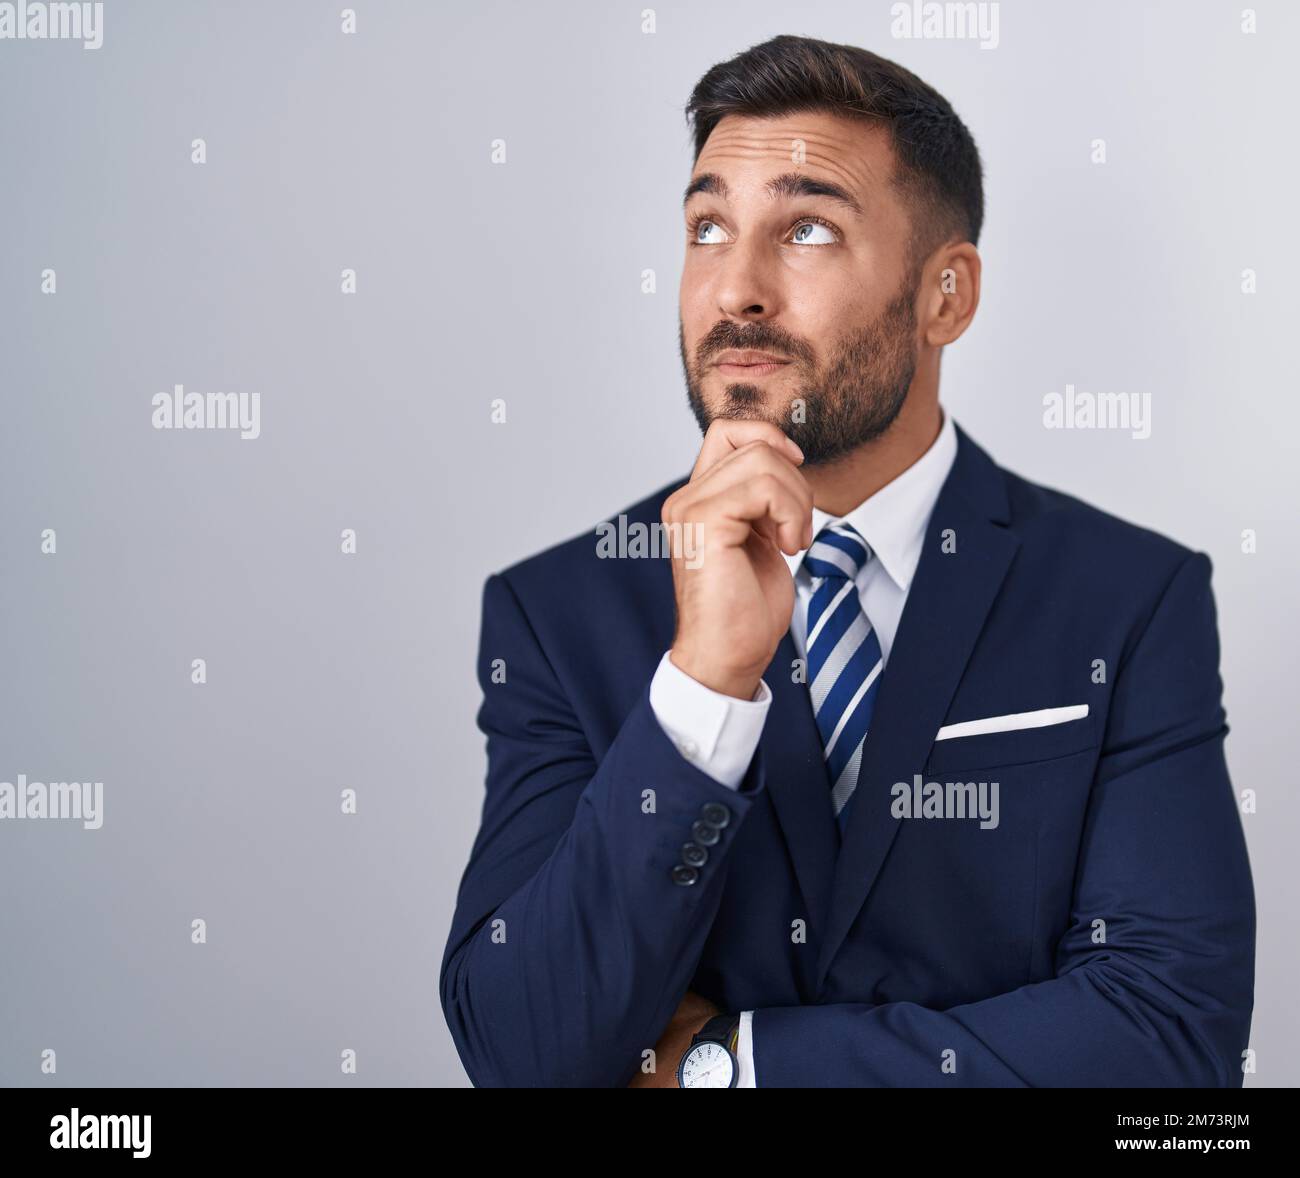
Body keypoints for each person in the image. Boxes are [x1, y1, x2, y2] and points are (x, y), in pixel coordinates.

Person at [440, 34, 1255, 1088]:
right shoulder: (556, 611)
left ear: (945, 296)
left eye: (807, 228)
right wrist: (703, 686)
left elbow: (1169, 1042)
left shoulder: (1128, 599)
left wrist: (732, 1065)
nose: (735, 288)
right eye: (706, 227)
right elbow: (522, 1051)